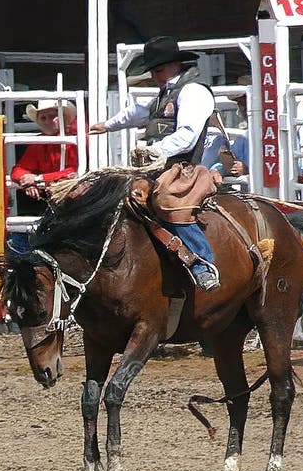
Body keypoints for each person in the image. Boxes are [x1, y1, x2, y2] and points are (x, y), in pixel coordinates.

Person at [90, 35, 219, 291]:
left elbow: (188, 135)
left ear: (174, 64)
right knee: (109, 193)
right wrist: (107, 125)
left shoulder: (194, 91)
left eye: (159, 69)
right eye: (154, 71)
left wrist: (154, 150)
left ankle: (203, 265)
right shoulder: (167, 93)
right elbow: (136, 112)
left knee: (169, 202)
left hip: (183, 170)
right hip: (158, 168)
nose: (156, 75)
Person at [11, 99, 79, 207]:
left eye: (52, 117)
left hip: (73, 197)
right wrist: (27, 182)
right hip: (48, 197)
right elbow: (18, 170)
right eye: (43, 118)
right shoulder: (38, 143)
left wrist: (37, 179)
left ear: (62, 118)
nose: (47, 121)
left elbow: (73, 173)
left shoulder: (73, 141)